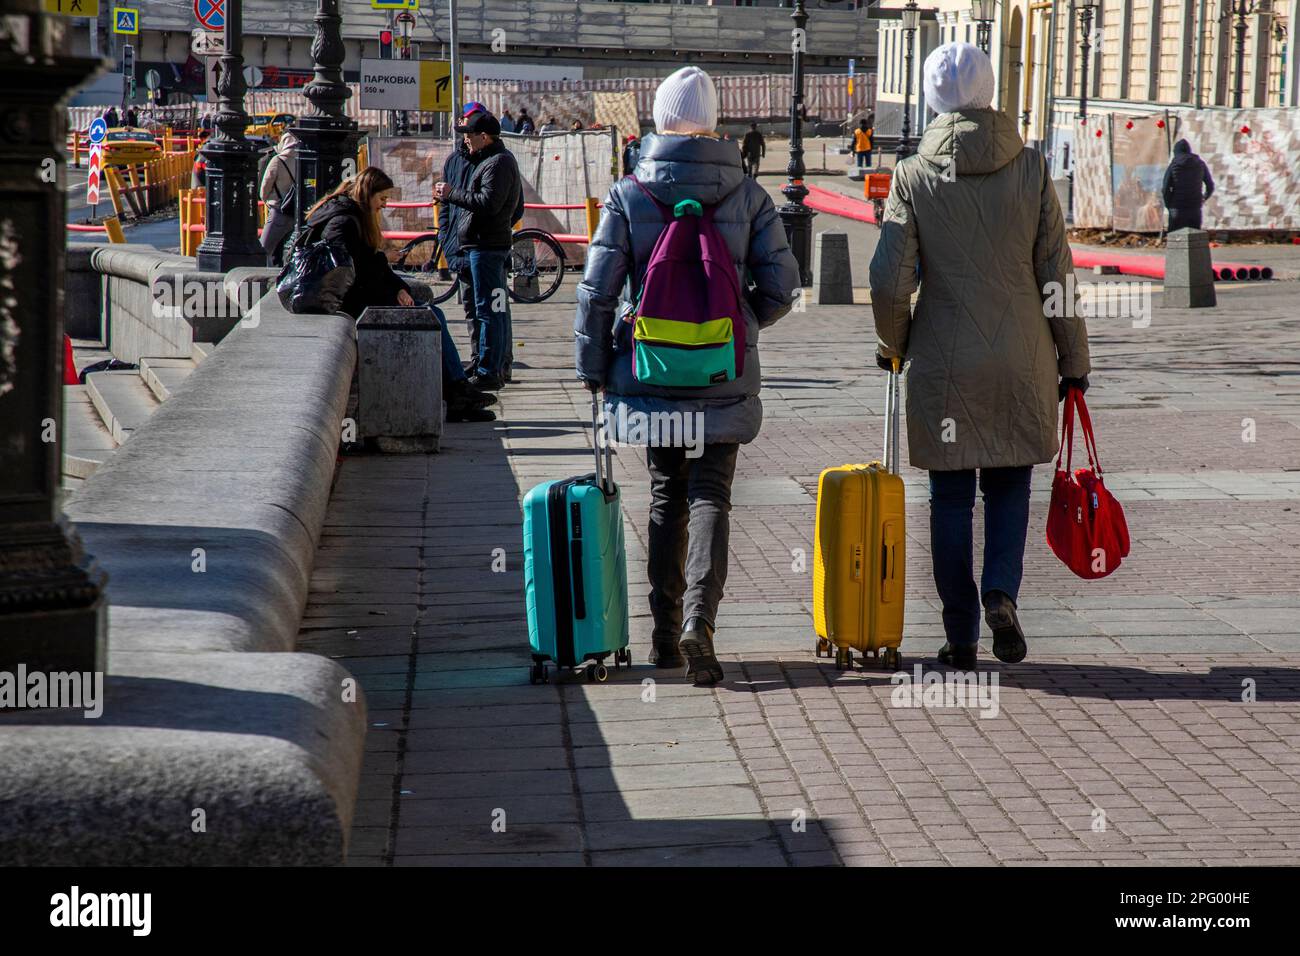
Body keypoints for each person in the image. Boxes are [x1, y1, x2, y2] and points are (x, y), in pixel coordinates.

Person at [869, 43, 1091, 671]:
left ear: (932, 98)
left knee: (949, 498)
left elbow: (890, 280)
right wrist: (1073, 360)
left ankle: (961, 632)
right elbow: (1057, 276)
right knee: (1009, 487)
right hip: (1023, 359)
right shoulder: (1030, 169)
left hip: (944, 360)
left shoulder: (912, 175)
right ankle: (1001, 592)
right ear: (993, 90)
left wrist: (895, 344)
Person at [575, 66, 799, 686]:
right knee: (710, 495)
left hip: (650, 368)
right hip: (721, 373)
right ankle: (702, 621)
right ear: (717, 120)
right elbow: (783, 286)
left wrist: (594, 364)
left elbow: (596, 293)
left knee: (665, 494)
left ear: (657, 117)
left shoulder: (630, 194)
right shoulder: (749, 195)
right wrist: (738, 322)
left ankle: (665, 635)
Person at [305, 167, 497, 422]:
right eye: (382, 199)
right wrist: (392, 290)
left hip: (361, 293)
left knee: (433, 314)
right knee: (431, 315)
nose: (384, 205)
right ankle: (456, 392)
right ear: (368, 193)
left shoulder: (352, 215)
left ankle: (456, 390)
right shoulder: (344, 221)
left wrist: (399, 288)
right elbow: (355, 271)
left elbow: (371, 264)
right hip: (350, 301)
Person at [433, 107, 523, 392]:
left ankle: (489, 369)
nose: (465, 141)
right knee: (479, 308)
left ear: (484, 136)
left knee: (489, 311)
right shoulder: (483, 159)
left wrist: (451, 194)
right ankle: (482, 362)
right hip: (475, 246)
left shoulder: (498, 162)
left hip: (487, 247)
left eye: (469, 135)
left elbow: (488, 203)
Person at [259, 131, 300, 266]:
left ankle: (258, 280)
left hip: (278, 209)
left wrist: (267, 200)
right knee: (281, 250)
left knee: (263, 249)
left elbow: (265, 186)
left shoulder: (278, 160)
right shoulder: (302, 160)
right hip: (294, 211)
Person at [1162, 138, 1215, 232]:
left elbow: (1165, 188)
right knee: (1194, 241)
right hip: (1195, 208)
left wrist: (1169, 205)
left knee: (1175, 240)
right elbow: (1210, 186)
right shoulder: (1200, 164)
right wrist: (1203, 198)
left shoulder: (1173, 165)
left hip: (1177, 207)